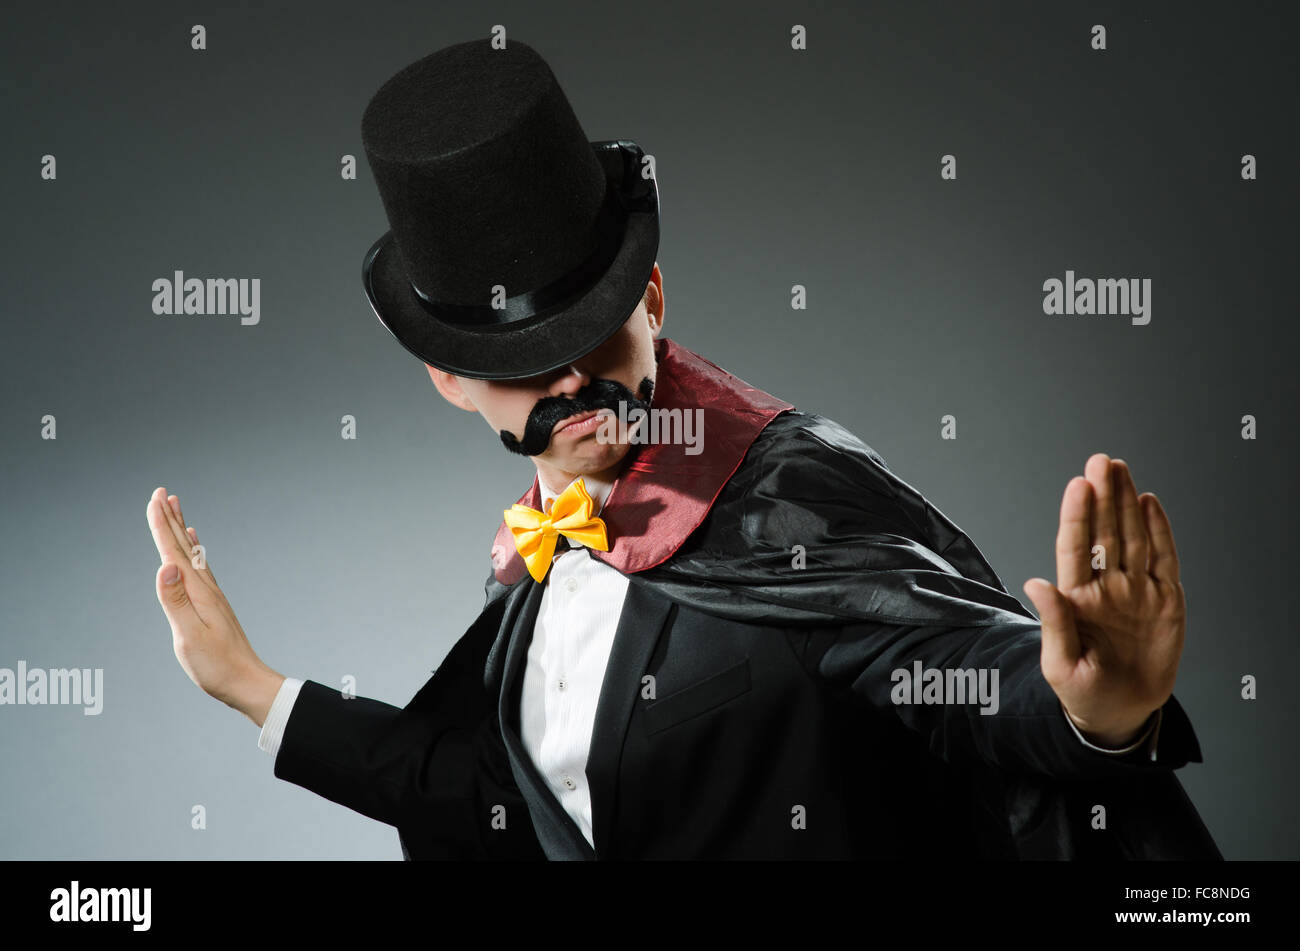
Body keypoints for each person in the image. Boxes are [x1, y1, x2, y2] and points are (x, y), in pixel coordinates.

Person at [145, 38, 1220, 860]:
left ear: (652, 298)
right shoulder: (532, 560)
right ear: (449, 381)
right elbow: (502, 801)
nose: (569, 380)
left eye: (590, 330)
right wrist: (255, 688)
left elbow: (946, 673)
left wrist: (1091, 708)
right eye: (522, 359)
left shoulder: (791, 502)